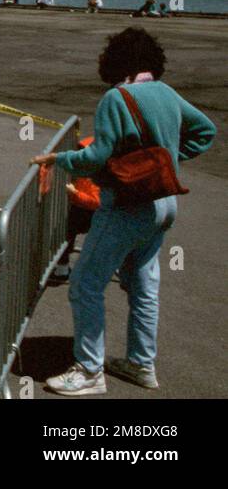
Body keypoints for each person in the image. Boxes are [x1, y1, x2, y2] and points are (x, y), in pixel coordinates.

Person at [34, 28, 215, 396]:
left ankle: (88, 370)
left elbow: (95, 157)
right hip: (164, 201)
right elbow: (205, 131)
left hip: (127, 204)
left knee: (86, 284)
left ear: (116, 61)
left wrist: (59, 158)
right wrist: (166, 162)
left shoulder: (116, 98)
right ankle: (140, 364)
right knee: (144, 285)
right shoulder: (166, 92)